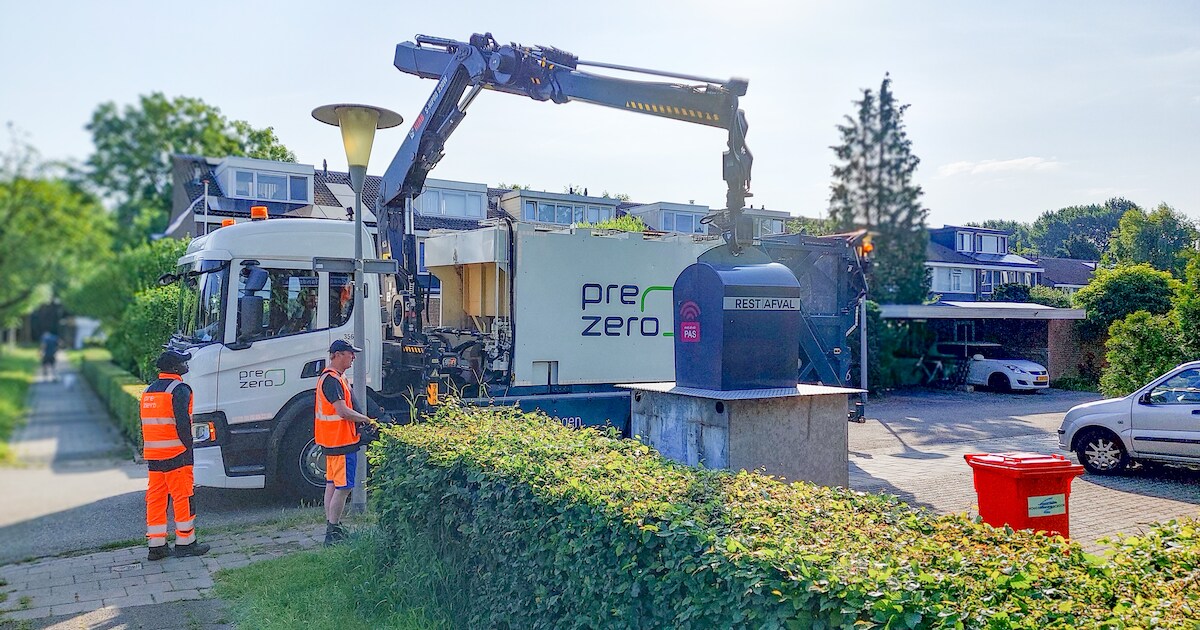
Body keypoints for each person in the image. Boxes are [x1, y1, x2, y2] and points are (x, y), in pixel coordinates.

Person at [141, 350, 209, 560]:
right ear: (174, 368)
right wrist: (189, 448)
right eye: (183, 363)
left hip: (153, 453)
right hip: (177, 453)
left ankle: (157, 546)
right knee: (183, 497)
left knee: (156, 498)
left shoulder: (148, 391)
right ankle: (185, 542)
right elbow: (182, 424)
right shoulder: (179, 389)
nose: (186, 366)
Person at [315, 339, 376, 545]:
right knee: (343, 488)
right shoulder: (333, 380)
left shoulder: (332, 378)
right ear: (338, 354)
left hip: (331, 441)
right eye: (350, 353)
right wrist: (365, 420)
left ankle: (332, 526)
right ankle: (332, 531)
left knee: (332, 485)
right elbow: (342, 411)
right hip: (341, 442)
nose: (354, 357)